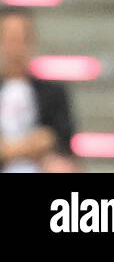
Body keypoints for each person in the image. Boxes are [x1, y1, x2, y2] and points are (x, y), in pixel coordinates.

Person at [0, 10, 77, 173]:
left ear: (31, 43)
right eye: (9, 39)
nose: (15, 48)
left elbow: (62, 138)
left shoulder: (53, 92)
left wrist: (14, 150)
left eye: (21, 39)